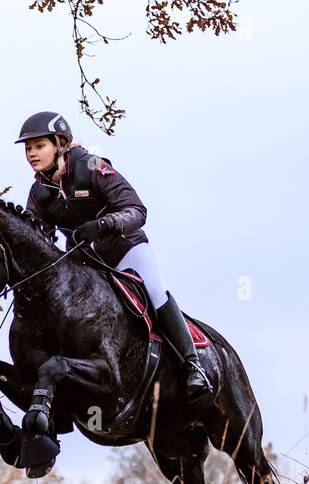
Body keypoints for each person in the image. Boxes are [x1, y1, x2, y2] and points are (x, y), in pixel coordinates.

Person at [18, 110, 213, 404]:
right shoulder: (39, 193)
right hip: (87, 266)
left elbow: (137, 211)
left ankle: (192, 365)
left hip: (125, 250)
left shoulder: (92, 166)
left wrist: (103, 225)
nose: (32, 154)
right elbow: (36, 241)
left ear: (60, 143)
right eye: (28, 148)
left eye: (39, 146)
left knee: (153, 290)